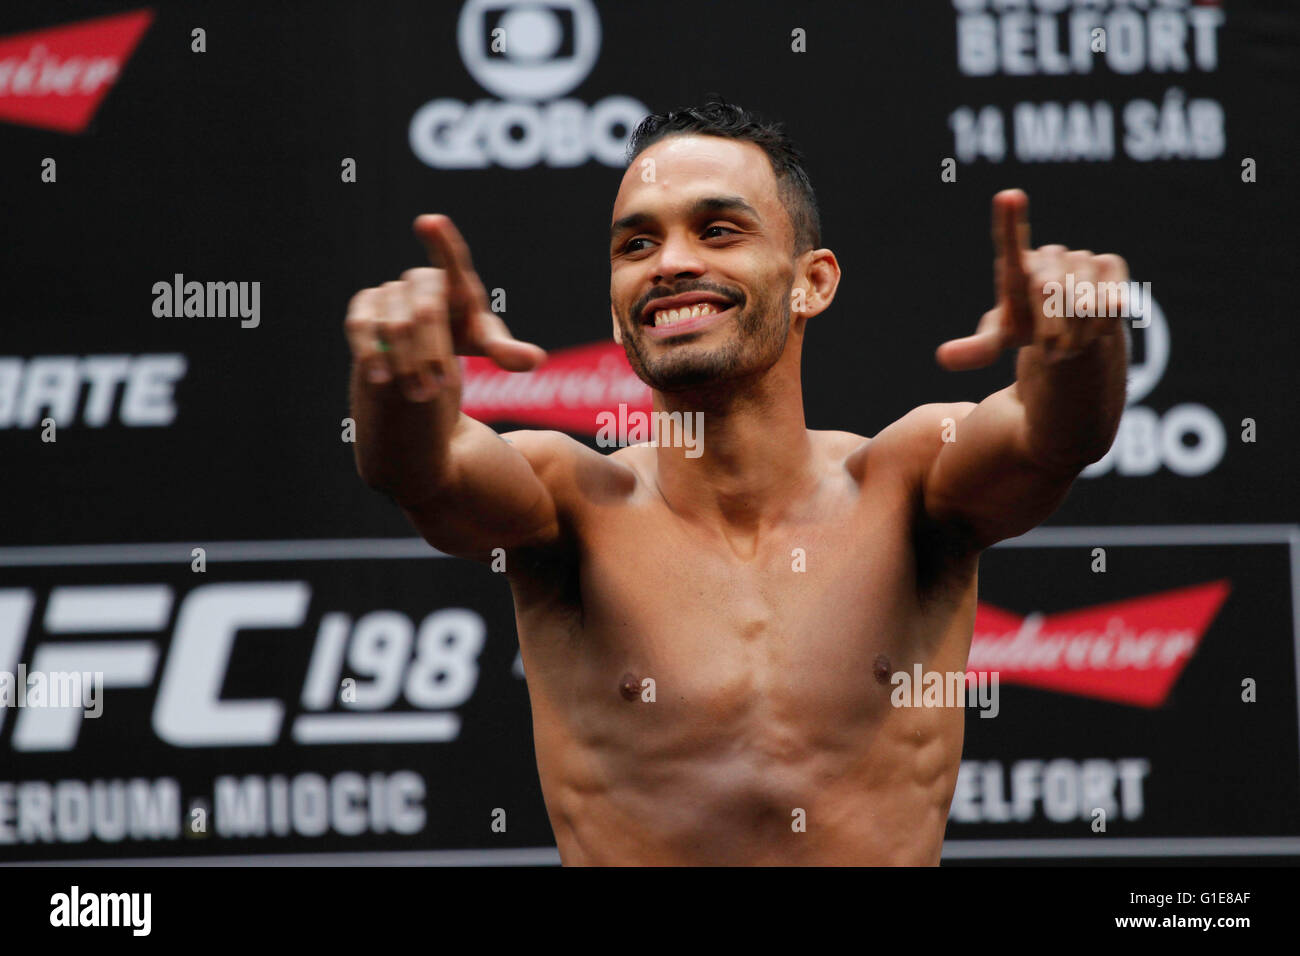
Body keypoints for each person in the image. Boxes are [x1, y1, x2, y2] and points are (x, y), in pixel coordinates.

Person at [344, 100, 1129, 865]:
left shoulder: (909, 484)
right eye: (636, 245)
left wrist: (1083, 347)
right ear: (618, 314)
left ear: (812, 283)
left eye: (718, 230)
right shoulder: (570, 505)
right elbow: (424, 471)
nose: (673, 263)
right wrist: (396, 380)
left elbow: (1053, 437)